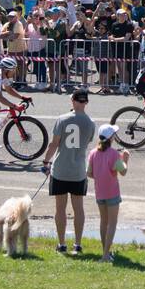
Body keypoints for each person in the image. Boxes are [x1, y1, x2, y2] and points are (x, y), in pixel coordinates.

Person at [42, 88, 97, 255]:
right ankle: (78, 244)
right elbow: (87, 142)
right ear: (86, 102)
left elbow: (54, 144)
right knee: (78, 208)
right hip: (78, 170)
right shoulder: (90, 123)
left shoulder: (62, 119)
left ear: (72, 100)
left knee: (60, 208)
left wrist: (46, 162)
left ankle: (61, 243)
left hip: (60, 169)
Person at [87, 124, 129, 263]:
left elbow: (89, 173)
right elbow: (123, 171)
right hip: (112, 193)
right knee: (112, 223)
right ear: (111, 138)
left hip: (99, 192)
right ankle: (105, 255)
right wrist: (125, 159)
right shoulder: (113, 154)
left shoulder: (93, 153)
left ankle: (105, 250)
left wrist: (100, 176)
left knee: (103, 222)